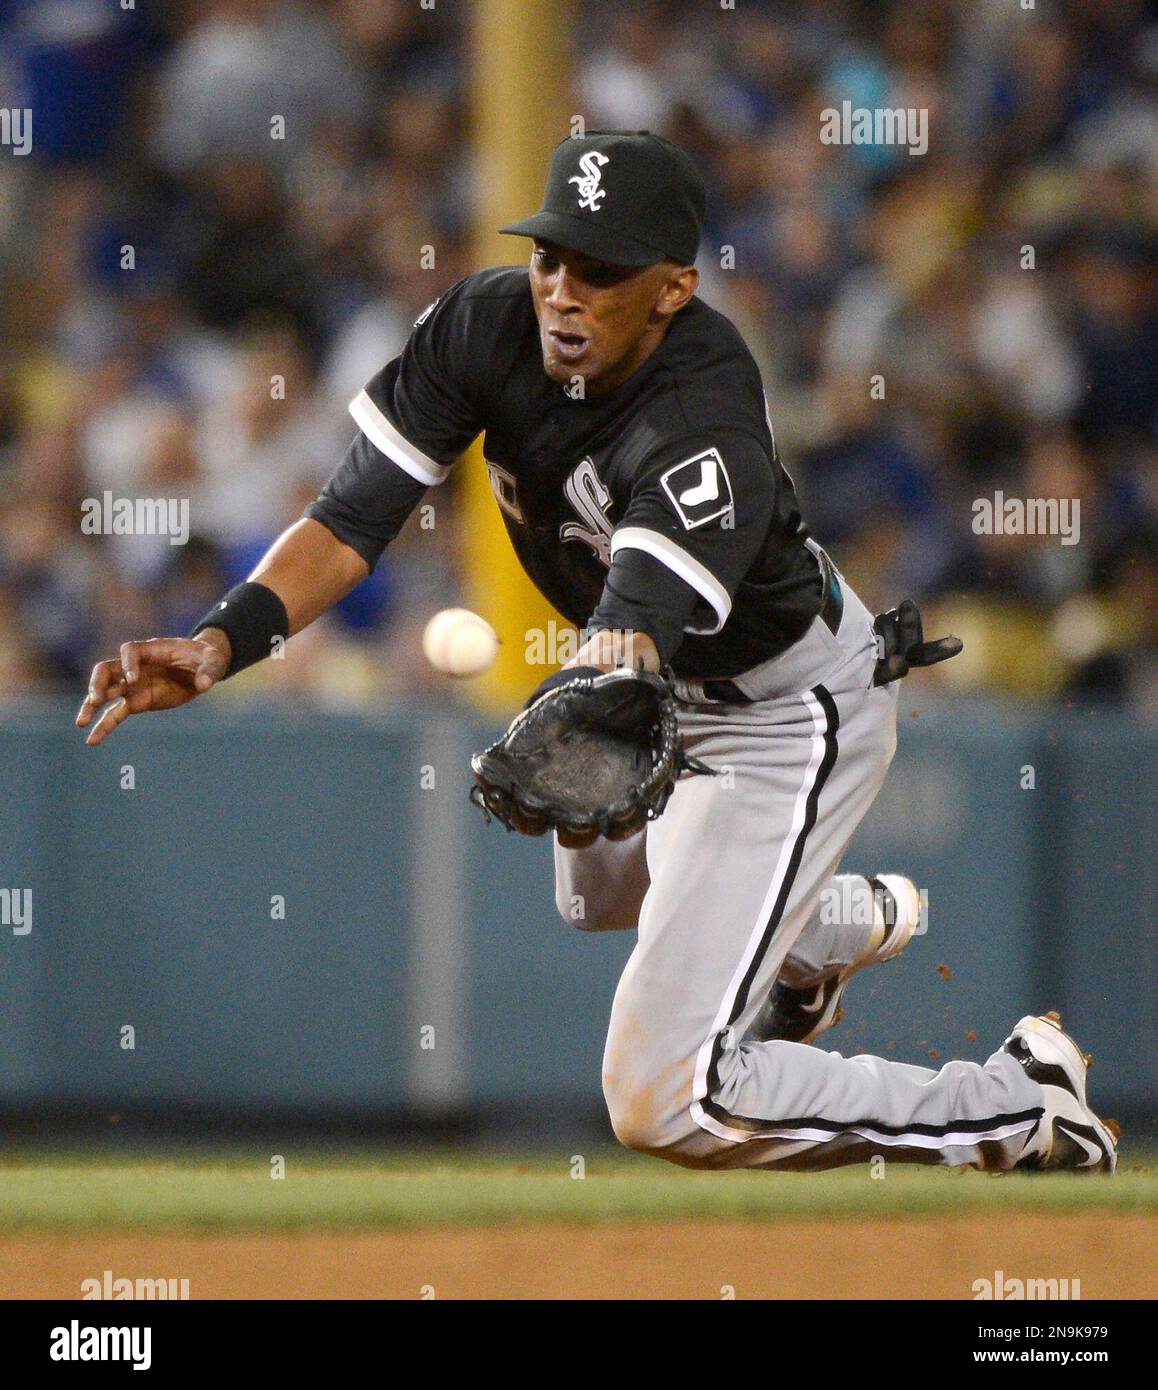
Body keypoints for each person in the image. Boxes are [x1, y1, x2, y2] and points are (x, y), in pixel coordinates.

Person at [77, 132, 1116, 1173]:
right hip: (653, 677)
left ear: (673, 288)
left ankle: (1016, 1105)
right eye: (551, 258)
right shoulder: (486, 322)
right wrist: (222, 641)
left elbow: (637, 623)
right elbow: (355, 517)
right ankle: (821, 924)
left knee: (667, 1098)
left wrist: (604, 673)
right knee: (594, 895)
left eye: (602, 271)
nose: (564, 292)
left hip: (785, 708)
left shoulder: (703, 413)